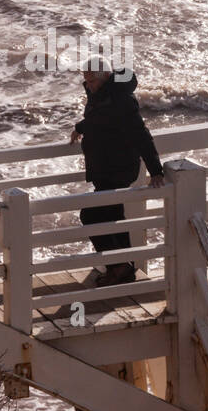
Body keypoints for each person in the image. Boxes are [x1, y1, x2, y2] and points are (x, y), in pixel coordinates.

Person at [69, 57, 164, 287]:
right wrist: (80, 127)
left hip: (117, 168)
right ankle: (125, 268)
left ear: (105, 77)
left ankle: (118, 266)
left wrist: (156, 170)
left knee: (90, 216)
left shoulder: (120, 98)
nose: (88, 85)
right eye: (86, 80)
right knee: (114, 216)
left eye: (91, 81)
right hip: (105, 167)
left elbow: (141, 135)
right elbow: (100, 119)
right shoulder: (102, 92)